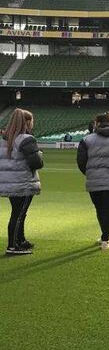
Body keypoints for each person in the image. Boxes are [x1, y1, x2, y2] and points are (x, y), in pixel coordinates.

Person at [77, 112, 109, 251]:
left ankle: (104, 235)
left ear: (97, 123)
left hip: (93, 179)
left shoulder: (86, 140)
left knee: (99, 209)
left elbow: (81, 161)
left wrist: (90, 173)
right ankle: (106, 238)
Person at [0, 108, 43, 255]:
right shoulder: (26, 139)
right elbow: (36, 163)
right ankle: (12, 246)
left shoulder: (4, 139)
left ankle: (20, 240)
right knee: (18, 214)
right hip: (23, 181)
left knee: (18, 213)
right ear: (27, 122)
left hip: (9, 181)